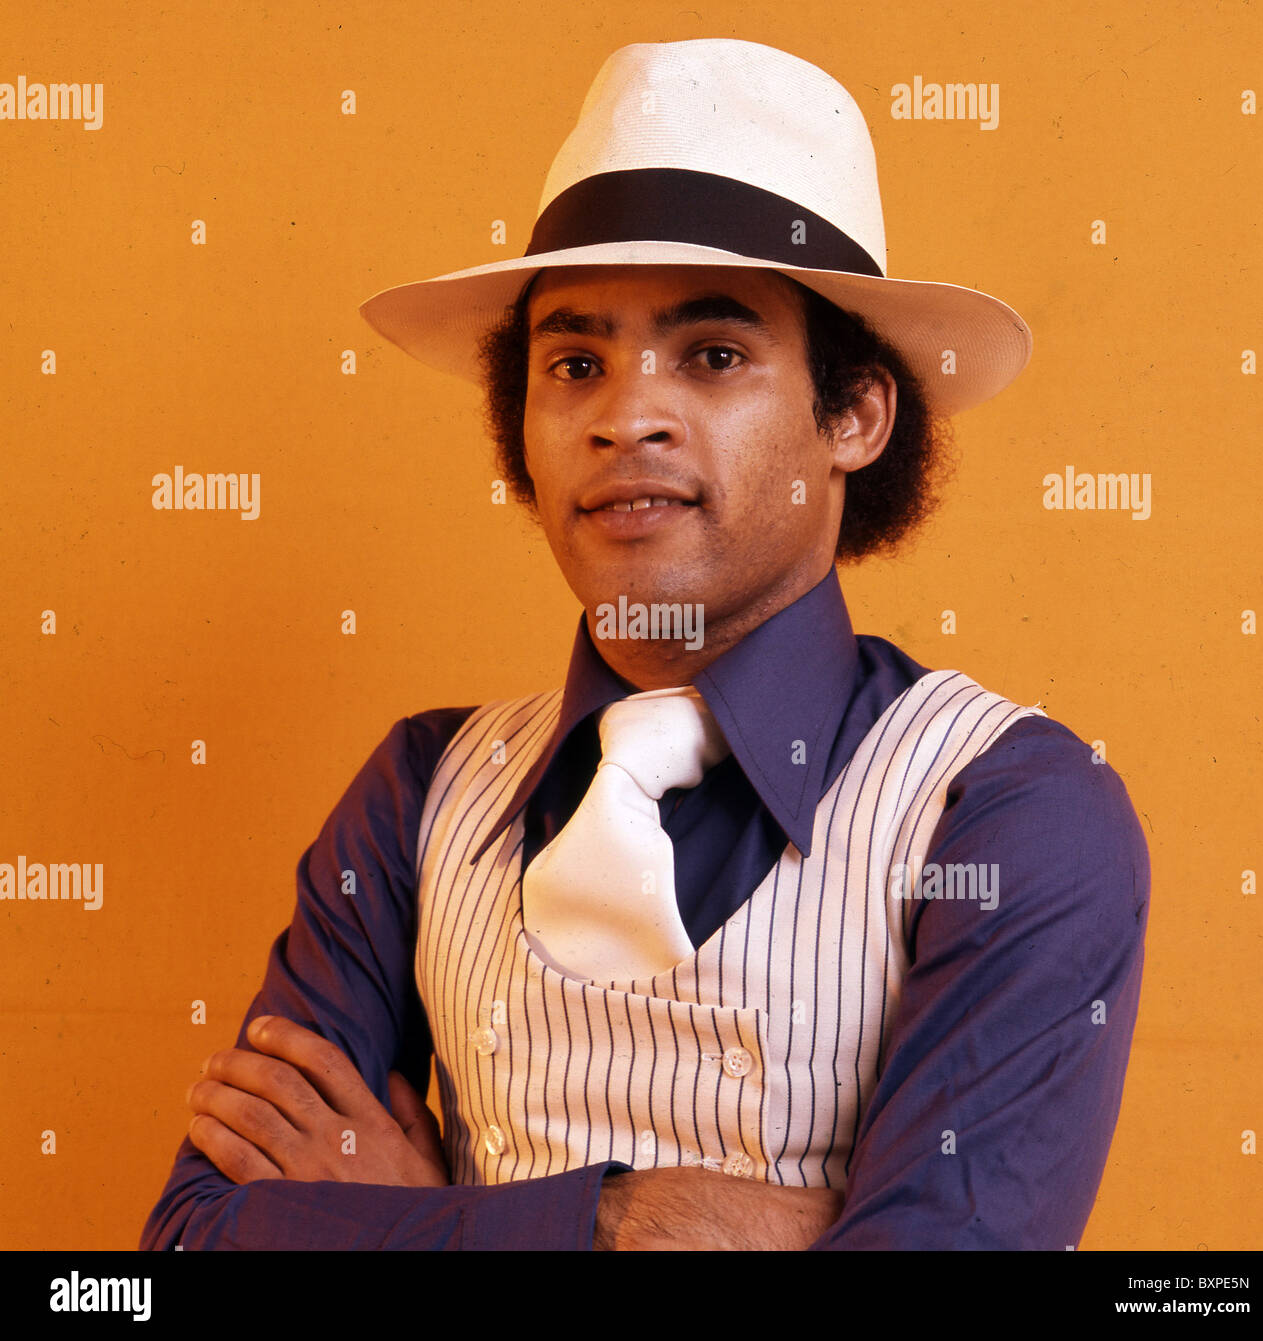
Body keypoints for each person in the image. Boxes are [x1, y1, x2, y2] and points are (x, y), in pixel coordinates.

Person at [141, 37, 1149, 1251]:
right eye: (575, 363)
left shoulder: (1006, 809)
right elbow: (188, 1244)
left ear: (856, 414)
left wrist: (426, 1228)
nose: (626, 417)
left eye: (714, 356)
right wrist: (630, 1219)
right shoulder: (418, 793)